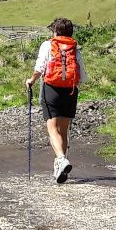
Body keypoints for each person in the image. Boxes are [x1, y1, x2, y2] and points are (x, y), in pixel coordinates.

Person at [26, 17, 82, 184]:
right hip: (71, 90)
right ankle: (59, 168)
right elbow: (83, 75)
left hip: (51, 89)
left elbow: (40, 66)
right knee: (63, 130)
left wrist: (31, 80)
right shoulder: (75, 48)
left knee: (52, 128)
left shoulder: (48, 45)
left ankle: (61, 159)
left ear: (56, 31)